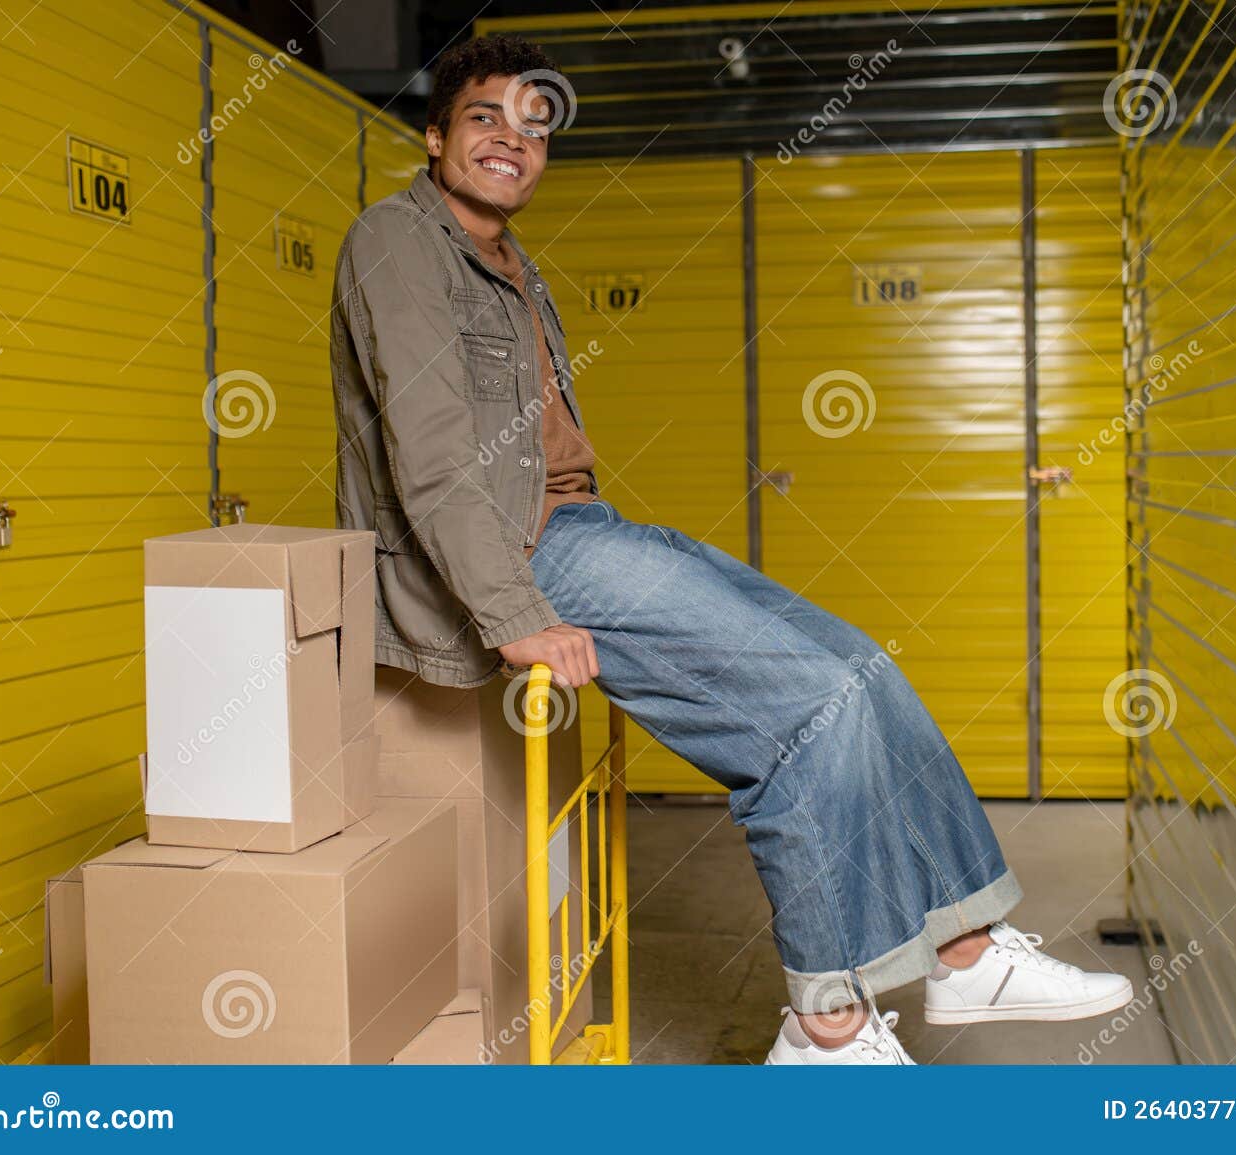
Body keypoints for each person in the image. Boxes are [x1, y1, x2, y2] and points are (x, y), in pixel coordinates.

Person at [330, 33, 1135, 1065]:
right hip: (522, 553)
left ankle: (967, 954)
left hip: (578, 526)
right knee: (810, 709)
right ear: (435, 135)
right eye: (484, 118)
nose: (512, 142)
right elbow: (433, 454)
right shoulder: (395, 242)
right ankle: (826, 1031)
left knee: (860, 667)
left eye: (535, 127)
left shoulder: (508, 263)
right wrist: (515, 615)